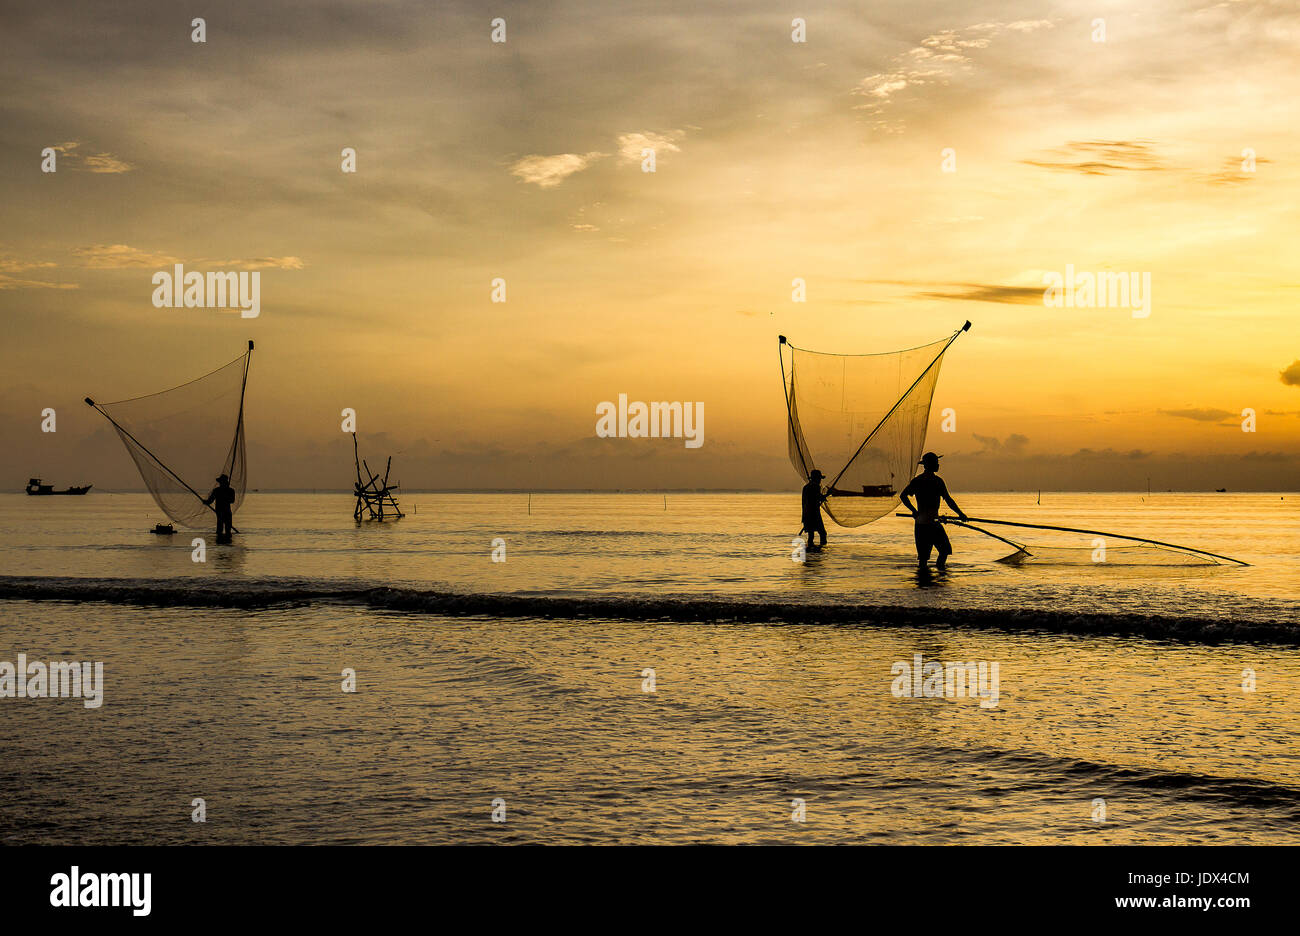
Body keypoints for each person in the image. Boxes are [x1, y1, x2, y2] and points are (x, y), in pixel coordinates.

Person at [900, 452, 966, 569]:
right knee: (942, 552)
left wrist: (914, 511)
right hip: (930, 524)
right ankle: (940, 575)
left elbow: (903, 496)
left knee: (925, 558)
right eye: (936, 463)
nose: (938, 465)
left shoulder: (920, 481)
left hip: (924, 523)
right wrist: (960, 514)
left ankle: (931, 580)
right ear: (929, 465)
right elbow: (948, 500)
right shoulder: (935, 481)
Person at [203, 473, 236, 541]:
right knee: (219, 530)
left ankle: (226, 542)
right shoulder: (216, 490)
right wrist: (206, 502)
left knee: (227, 530)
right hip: (220, 512)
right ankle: (220, 542)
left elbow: (232, 500)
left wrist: (225, 497)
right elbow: (210, 500)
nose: (221, 483)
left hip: (226, 512)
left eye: (222, 482)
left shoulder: (230, 491)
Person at [801, 469, 828, 551]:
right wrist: (827, 495)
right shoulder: (815, 487)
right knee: (823, 533)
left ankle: (810, 550)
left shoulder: (806, 487)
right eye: (819, 478)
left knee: (811, 535)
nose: (820, 480)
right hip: (814, 514)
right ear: (816, 478)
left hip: (806, 514)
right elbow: (818, 498)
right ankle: (822, 548)